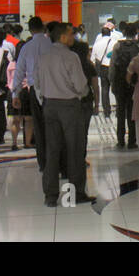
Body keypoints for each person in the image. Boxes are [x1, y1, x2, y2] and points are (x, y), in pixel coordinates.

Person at [35, 22, 96, 207]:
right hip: (69, 106)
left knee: (52, 149)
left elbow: (37, 83)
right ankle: (76, 192)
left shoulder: (43, 57)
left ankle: (50, 195)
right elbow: (80, 85)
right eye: (70, 34)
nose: (73, 37)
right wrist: (83, 93)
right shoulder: (71, 57)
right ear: (62, 37)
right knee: (74, 149)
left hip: (49, 105)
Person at [11, 16, 51, 171]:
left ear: (30, 29)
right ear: (43, 27)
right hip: (52, 89)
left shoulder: (27, 47)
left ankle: (43, 162)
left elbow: (19, 71)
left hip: (34, 90)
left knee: (39, 126)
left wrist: (16, 94)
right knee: (53, 126)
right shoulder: (51, 44)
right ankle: (55, 160)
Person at [109, 21, 139, 150]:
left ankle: (120, 140)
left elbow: (112, 67)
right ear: (136, 32)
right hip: (134, 83)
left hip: (120, 83)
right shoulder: (138, 47)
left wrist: (112, 83)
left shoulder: (117, 46)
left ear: (124, 32)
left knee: (120, 112)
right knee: (133, 112)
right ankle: (132, 140)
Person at [90, 22, 117, 118]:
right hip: (113, 67)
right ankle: (118, 109)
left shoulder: (97, 44)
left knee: (104, 89)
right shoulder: (115, 43)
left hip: (102, 68)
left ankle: (106, 111)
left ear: (101, 34)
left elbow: (93, 59)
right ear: (110, 33)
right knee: (115, 88)